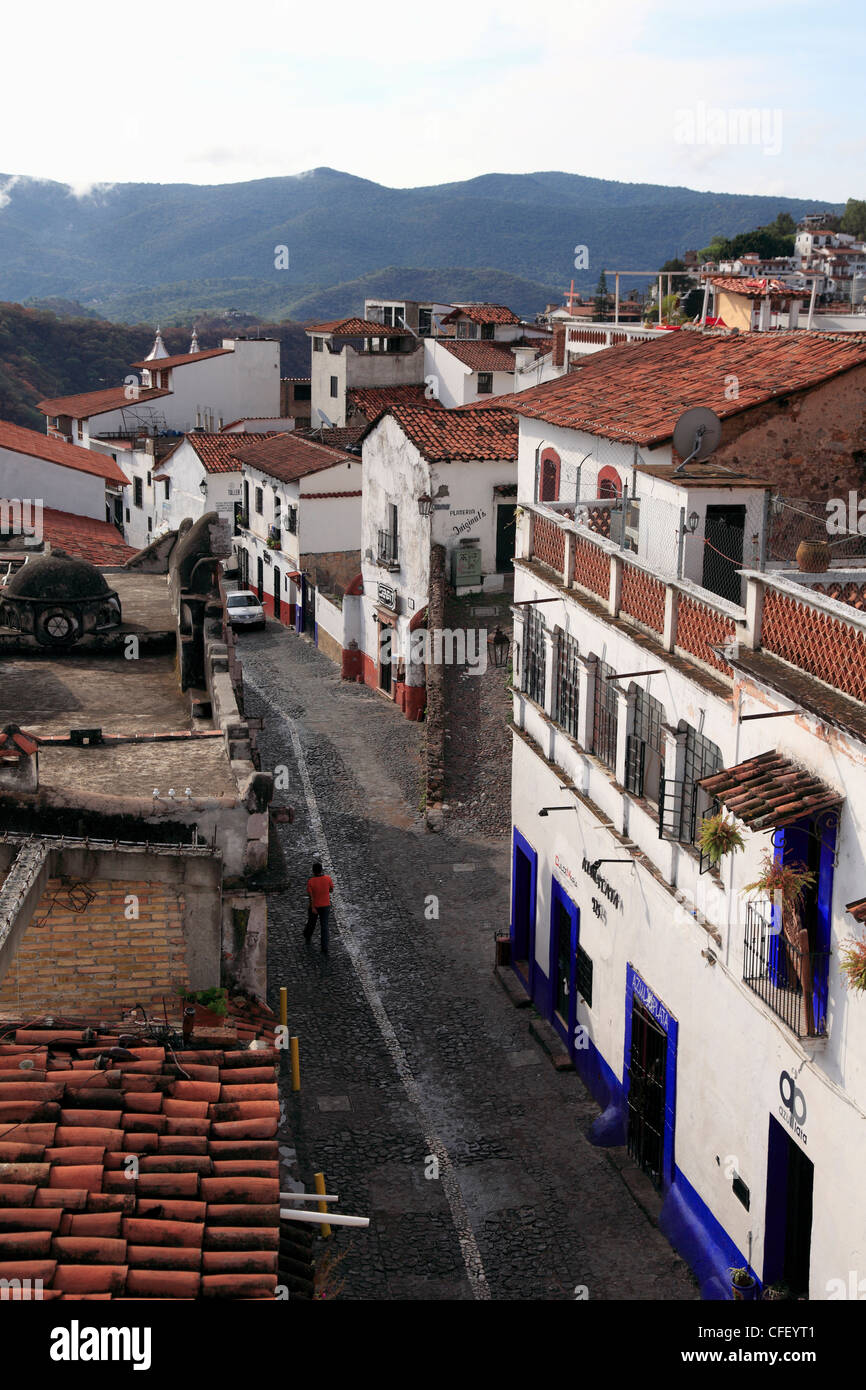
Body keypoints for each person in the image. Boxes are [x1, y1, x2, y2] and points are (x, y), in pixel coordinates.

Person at [304, 860, 334, 955]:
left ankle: (307, 935)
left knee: (311, 923)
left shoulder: (311, 882)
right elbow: (331, 889)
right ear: (321, 870)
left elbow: (311, 896)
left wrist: (312, 907)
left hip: (315, 906)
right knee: (324, 926)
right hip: (325, 906)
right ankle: (324, 947)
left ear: (313, 871)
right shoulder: (328, 879)